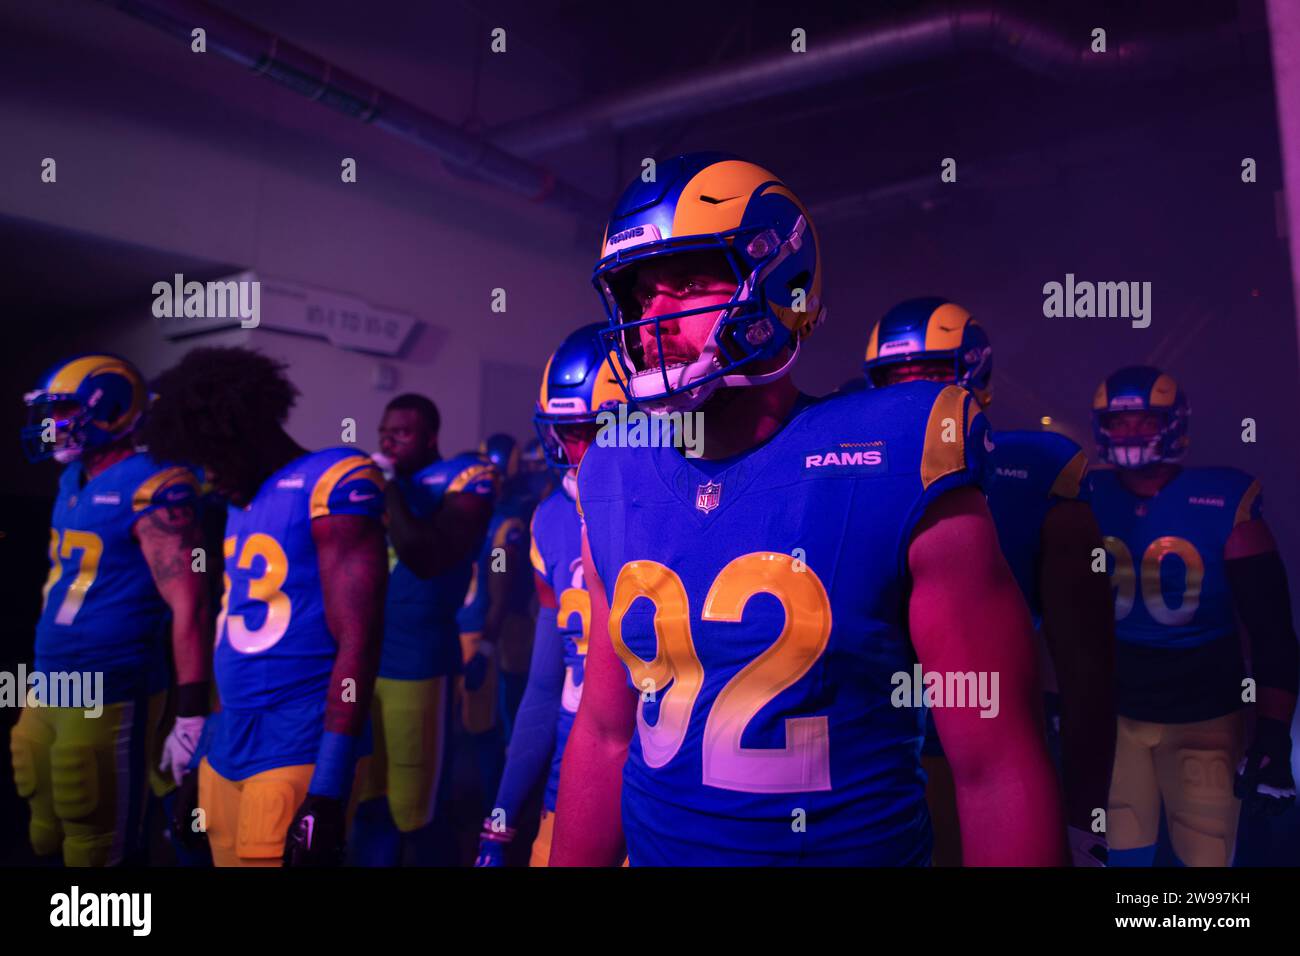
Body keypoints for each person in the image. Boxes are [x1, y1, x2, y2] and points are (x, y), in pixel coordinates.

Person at [550, 152, 1065, 866]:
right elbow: (607, 733)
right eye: (641, 292)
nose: (653, 317)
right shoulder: (611, 470)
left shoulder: (896, 454)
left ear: (779, 284)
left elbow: (993, 765)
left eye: (693, 279)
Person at [863, 298, 1116, 866]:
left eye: (929, 375)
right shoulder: (844, 466)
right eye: (893, 380)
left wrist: (1085, 815)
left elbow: (1087, 673)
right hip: (867, 759)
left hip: (995, 751)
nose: (911, 395)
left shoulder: (1035, 470)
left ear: (973, 372)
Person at [142, 346, 387, 867]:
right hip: (229, 741)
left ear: (241, 430)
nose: (208, 476)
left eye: (210, 456)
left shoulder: (335, 477)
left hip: (300, 739)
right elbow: (234, 636)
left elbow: (359, 639)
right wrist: (205, 745)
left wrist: (328, 787)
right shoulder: (241, 499)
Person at [1089, 366, 1297, 866]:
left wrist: (1272, 733)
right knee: (1119, 859)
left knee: (1204, 866)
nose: (1132, 433)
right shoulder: (1083, 496)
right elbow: (1054, 610)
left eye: (1144, 420)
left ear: (1174, 423)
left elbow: (1271, 629)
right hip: (1115, 713)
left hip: (1204, 714)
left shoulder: (1223, 498)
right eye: (1120, 423)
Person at [12, 353, 210, 867]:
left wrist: (191, 713)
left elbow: (190, 602)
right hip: (50, 673)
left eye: (62, 412)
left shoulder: (155, 485)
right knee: (38, 799)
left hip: (113, 680)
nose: (49, 426)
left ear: (110, 411)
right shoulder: (72, 479)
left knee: (93, 827)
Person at [476, 323, 621, 866]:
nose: (574, 448)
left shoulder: (682, 504)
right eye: (564, 430)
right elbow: (545, 688)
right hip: (572, 780)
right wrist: (501, 818)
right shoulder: (550, 519)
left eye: (592, 428)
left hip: (661, 795)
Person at [349, 394, 495, 865]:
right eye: (383, 434)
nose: (388, 441)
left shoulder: (463, 477)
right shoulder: (382, 485)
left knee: (417, 811)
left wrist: (388, 484)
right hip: (365, 660)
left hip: (419, 663)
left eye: (402, 433)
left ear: (431, 436)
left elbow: (424, 555)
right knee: (367, 803)